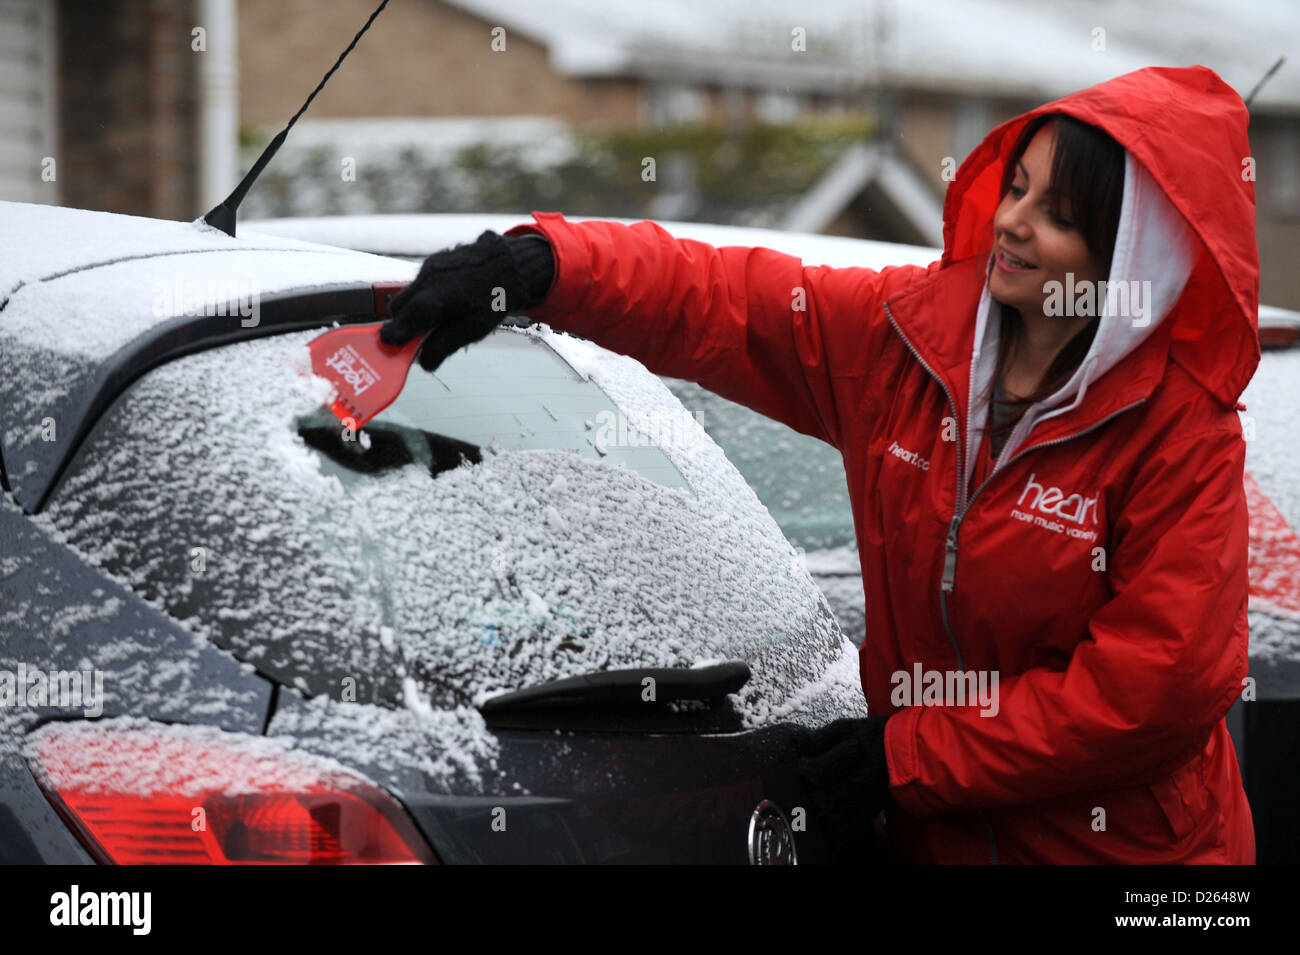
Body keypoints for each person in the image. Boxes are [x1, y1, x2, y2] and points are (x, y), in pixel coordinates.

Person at [380, 64, 1258, 864]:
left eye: (1059, 216)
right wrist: (549, 266)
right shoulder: (907, 341)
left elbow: (1155, 690)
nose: (1013, 222)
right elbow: (726, 301)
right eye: (1017, 187)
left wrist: (909, 758)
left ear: (1128, 258)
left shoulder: (1182, 434)